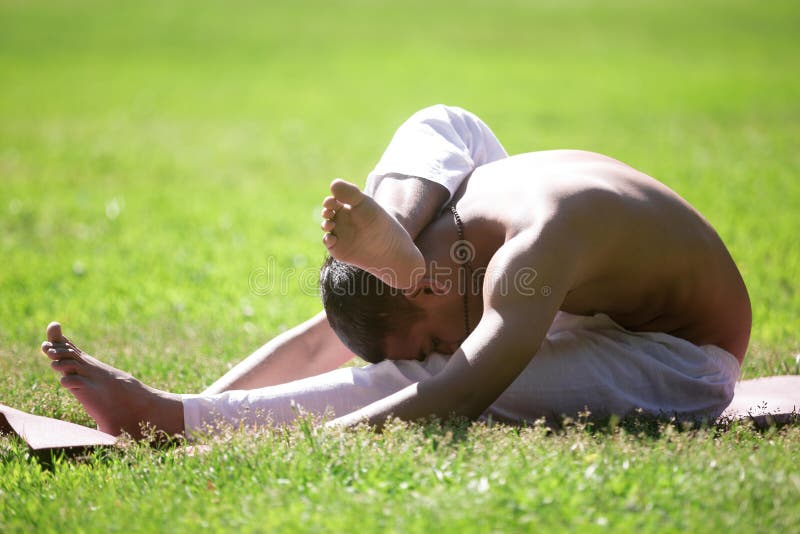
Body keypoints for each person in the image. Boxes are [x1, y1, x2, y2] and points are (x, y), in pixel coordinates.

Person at [40, 105, 750, 439]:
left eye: (431, 334)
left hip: (682, 359)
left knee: (433, 373)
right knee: (447, 126)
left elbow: (459, 389)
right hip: (577, 289)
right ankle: (401, 227)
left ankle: (175, 418)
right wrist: (205, 398)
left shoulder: (533, 251)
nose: (439, 345)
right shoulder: (474, 204)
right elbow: (355, 330)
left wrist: (221, 432)